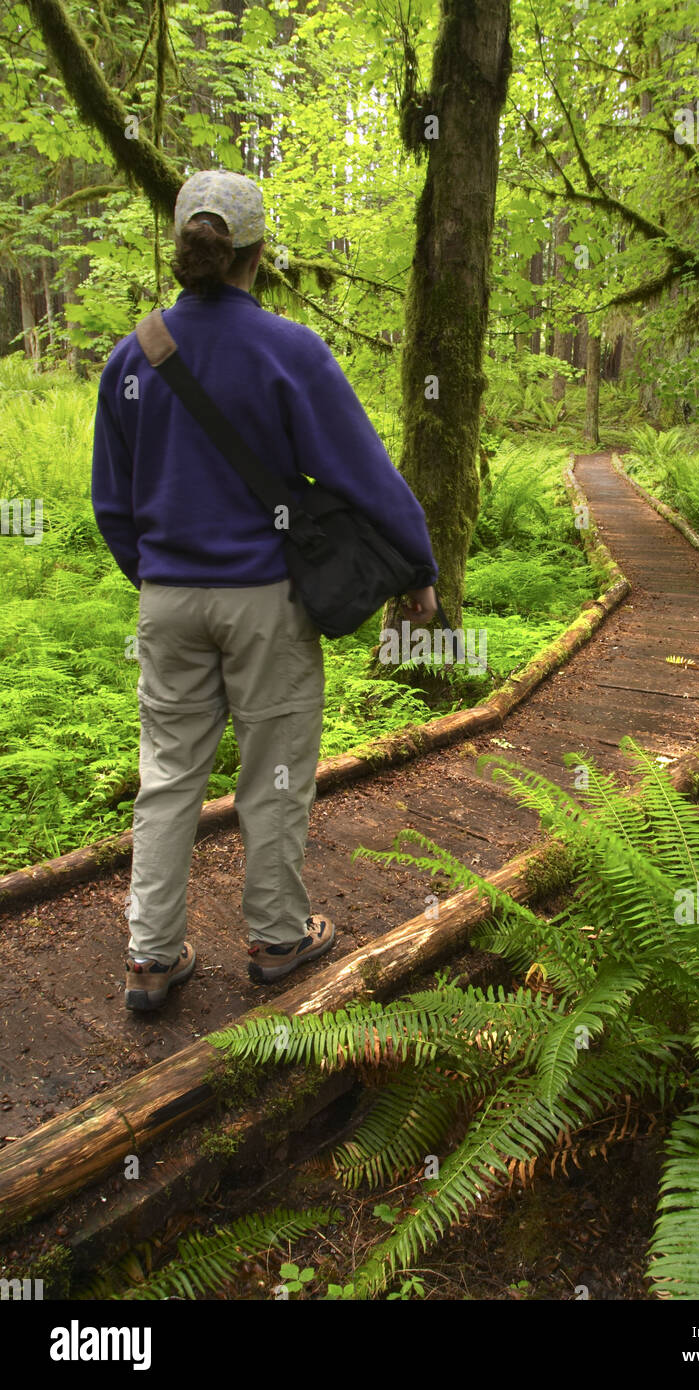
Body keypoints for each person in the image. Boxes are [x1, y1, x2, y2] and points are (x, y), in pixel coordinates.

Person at [91, 169, 439, 1012]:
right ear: (257, 253)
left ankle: (151, 958)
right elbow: (361, 470)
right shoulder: (290, 350)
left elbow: (111, 499)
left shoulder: (131, 355)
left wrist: (159, 575)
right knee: (275, 775)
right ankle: (279, 940)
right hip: (265, 601)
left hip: (167, 599)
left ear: (186, 247)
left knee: (168, 777)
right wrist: (418, 567)